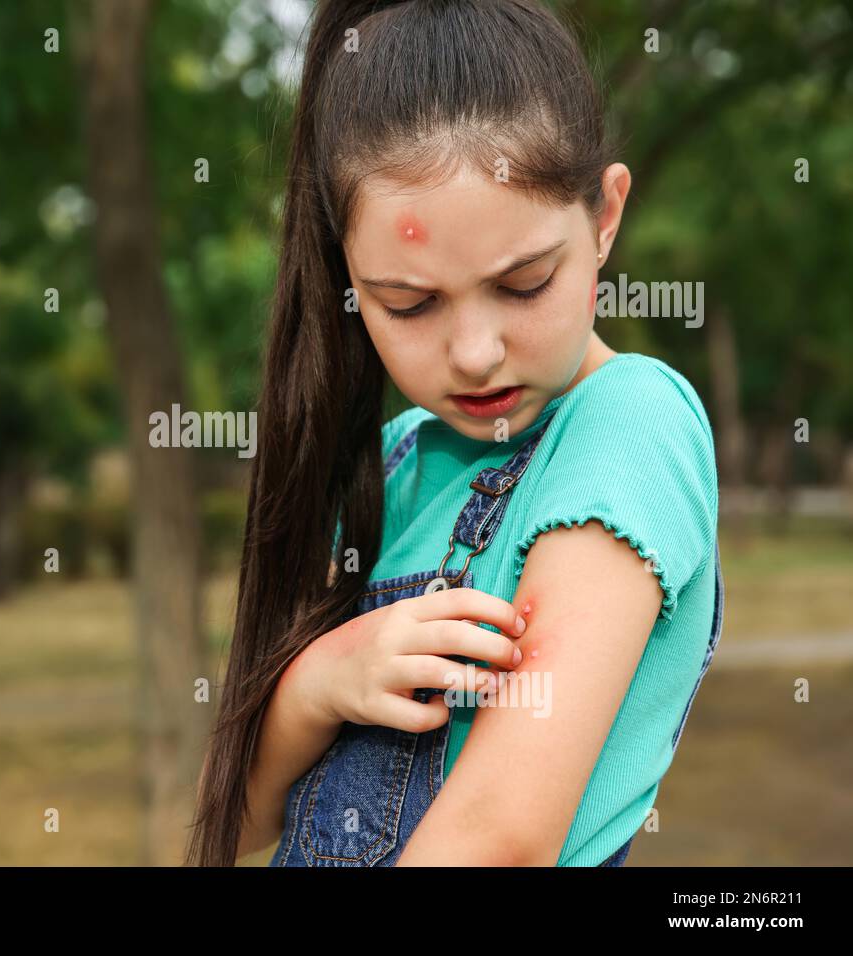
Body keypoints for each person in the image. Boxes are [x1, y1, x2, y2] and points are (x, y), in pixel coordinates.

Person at [186, 0, 722, 867]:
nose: (475, 355)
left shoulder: (631, 422)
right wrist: (320, 682)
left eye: (523, 284)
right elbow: (235, 820)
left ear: (606, 217)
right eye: (410, 303)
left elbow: (497, 838)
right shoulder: (391, 470)